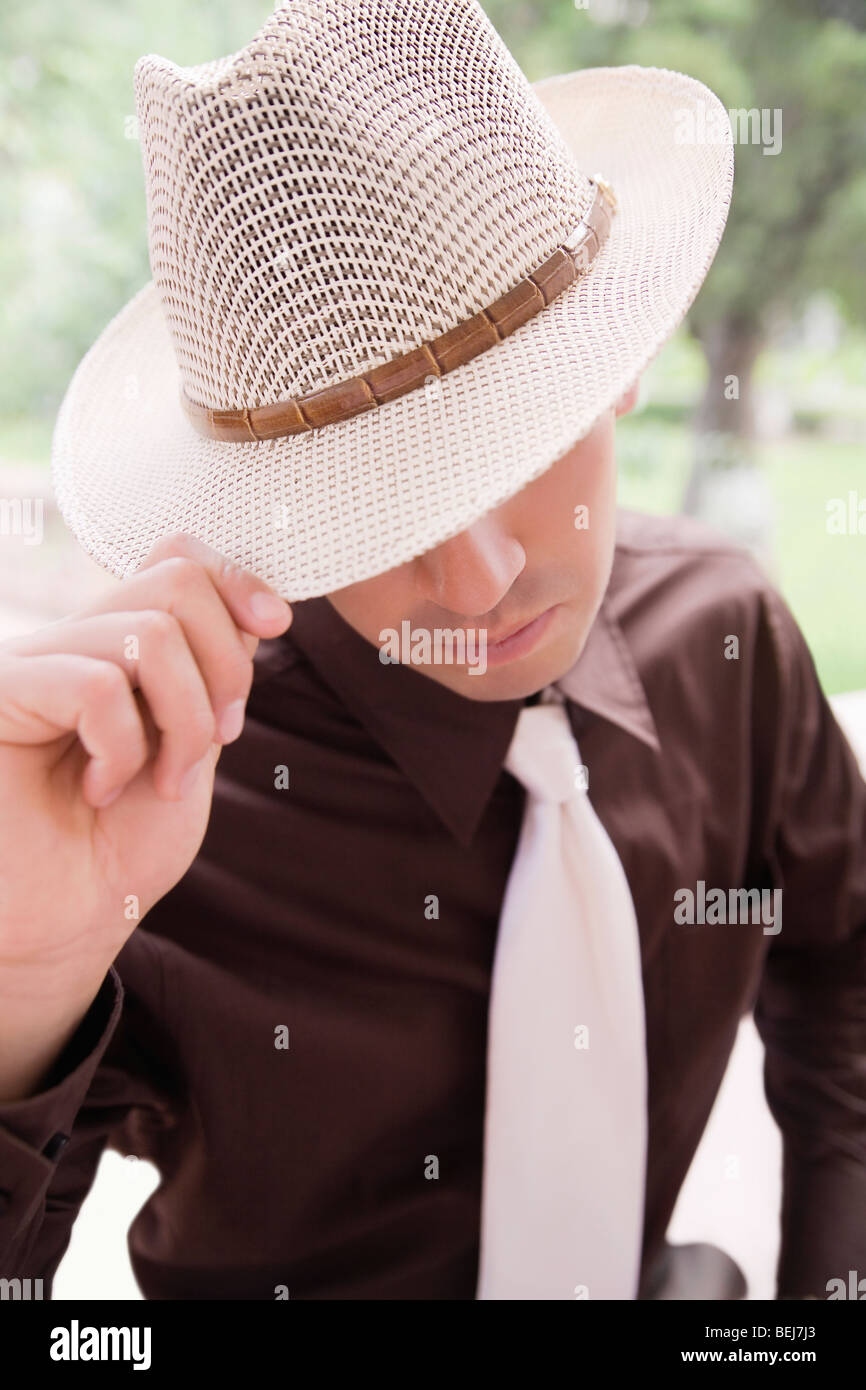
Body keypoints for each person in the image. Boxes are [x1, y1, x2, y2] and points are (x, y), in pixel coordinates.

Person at [1, 0, 864, 1301]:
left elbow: (842, 970)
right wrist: (24, 988)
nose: (480, 579)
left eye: (512, 448)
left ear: (615, 368)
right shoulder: (153, 791)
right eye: (380, 508)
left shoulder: (727, 636)